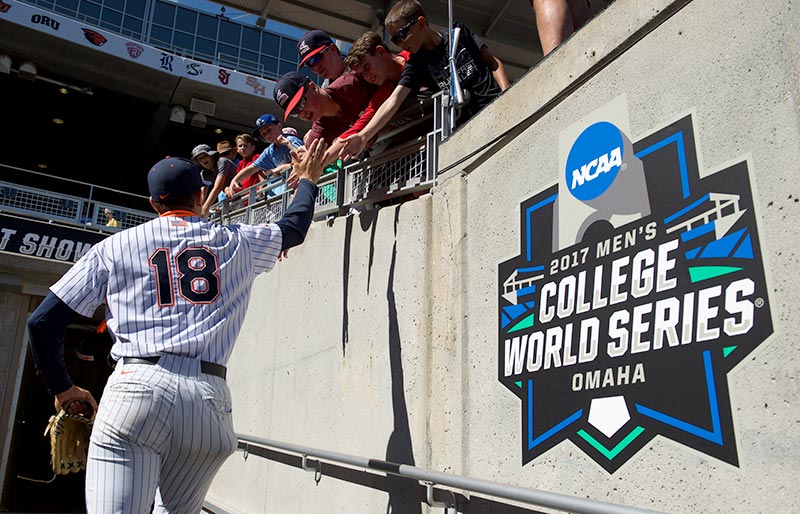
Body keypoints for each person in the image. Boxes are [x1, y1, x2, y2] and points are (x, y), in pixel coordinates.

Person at [26, 139, 329, 514]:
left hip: (136, 387)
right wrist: (307, 181)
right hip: (208, 399)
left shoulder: (115, 246)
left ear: (154, 203)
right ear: (201, 195)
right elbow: (294, 228)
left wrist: (64, 388)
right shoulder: (235, 241)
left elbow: (42, 323)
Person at [339, 0, 510, 161]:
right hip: (470, 129)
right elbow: (394, 100)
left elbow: (493, 64)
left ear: (420, 23)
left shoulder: (458, 33)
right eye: (394, 40)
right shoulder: (416, 65)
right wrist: (363, 136)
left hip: (499, 108)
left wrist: (508, 95)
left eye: (401, 35)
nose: (399, 43)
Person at [340, 31, 412, 142]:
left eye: (366, 67)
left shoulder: (415, 56)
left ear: (381, 51)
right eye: (362, 74)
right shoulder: (385, 90)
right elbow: (358, 127)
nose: (366, 76)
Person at [226, 114, 303, 197]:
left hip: (300, 189)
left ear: (279, 126)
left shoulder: (291, 140)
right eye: (263, 134)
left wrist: (284, 167)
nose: (267, 136)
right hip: (287, 193)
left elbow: (306, 160)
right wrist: (234, 180)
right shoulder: (270, 150)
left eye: (269, 130)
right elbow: (252, 168)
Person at [191, 143, 237, 217]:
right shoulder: (204, 173)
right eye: (199, 158)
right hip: (231, 198)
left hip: (244, 191)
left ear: (211, 155)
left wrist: (205, 208)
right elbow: (202, 194)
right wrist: (198, 211)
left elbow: (217, 187)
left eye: (205, 156)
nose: (203, 160)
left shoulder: (222, 161)